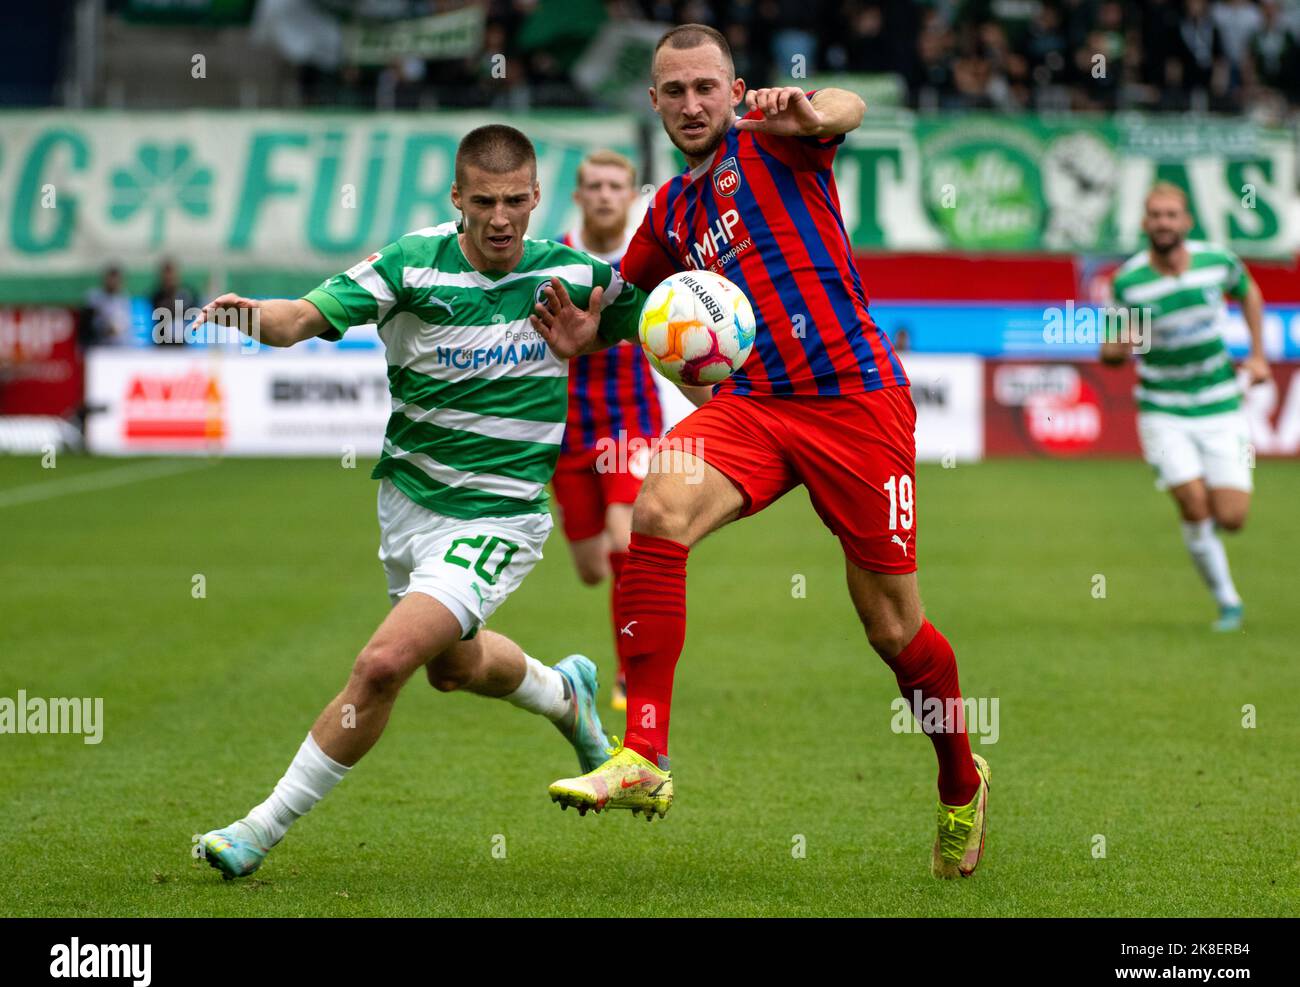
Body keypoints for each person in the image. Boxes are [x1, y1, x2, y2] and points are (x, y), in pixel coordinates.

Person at [530, 24, 990, 880]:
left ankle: (962, 782)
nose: (693, 103)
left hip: (856, 402)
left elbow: (848, 109)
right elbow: (623, 308)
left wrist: (810, 106)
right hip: (757, 406)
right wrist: (583, 335)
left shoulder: (778, 141)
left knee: (893, 630)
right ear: (656, 102)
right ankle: (644, 754)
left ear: (735, 90)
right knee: (658, 505)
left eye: (708, 86)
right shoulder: (666, 211)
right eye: (675, 91)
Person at [193, 124, 645, 879]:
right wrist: (247, 314)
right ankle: (566, 693)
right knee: (453, 667)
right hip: (409, 506)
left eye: (514, 202)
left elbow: (671, 331)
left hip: (502, 512)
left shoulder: (574, 273)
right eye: (484, 203)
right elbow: (301, 317)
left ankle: (257, 829)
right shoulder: (408, 264)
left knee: (382, 664)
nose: (500, 219)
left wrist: (673, 355)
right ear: (456, 199)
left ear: (536, 198)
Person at [1102, 181, 1269, 631]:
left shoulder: (1217, 263)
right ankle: (1228, 601)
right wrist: (1117, 348)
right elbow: (1111, 347)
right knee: (1194, 505)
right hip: (1162, 408)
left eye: (1171, 215)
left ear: (1186, 222)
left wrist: (1257, 354)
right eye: (1155, 215)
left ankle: (1209, 541)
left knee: (1231, 518)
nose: (1163, 223)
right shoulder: (1129, 281)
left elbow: (1250, 292)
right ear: (1144, 223)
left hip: (1220, 404)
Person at [553, 150, 666, 712]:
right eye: (593, 185)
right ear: (579, 197)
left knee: (625, 542)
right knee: (592, 570)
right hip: (567, 431)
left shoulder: (646, 262)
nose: (603, 194)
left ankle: (629, 676)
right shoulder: (554, 261)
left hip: (631, 421)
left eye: (614, 185)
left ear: (630, 195)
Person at [150, 259, 200, 347]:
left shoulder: (187, 294)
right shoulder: (157, 296)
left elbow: (192, 312)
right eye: (166, 273)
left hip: (183, 344)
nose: (169, 277)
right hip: (162, 344)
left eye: (171, 273)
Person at [82, 265, 133, 347]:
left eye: (116, 279)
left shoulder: (123, 298)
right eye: (111, 278)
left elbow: (123, 324)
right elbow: (89, 323)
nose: (113, 282)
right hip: (98, 344)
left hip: (120, 346)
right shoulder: (94, 297)